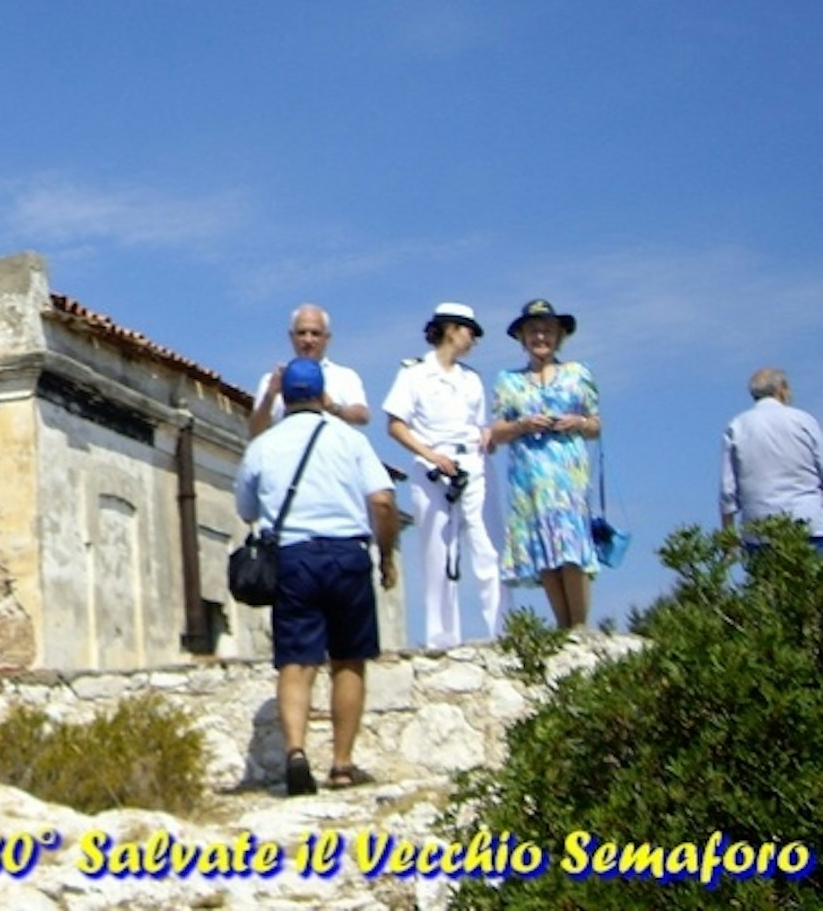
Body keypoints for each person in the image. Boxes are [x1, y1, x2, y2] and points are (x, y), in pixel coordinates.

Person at [235, 357, 399, 795]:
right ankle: (343, 765)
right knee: (348, 659)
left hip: (292, 558)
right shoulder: (348, 438)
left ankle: (295, 752)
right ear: (322, 394)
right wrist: (386, 557)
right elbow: (382, 501)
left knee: (295, 661)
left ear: (284, 396)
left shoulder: (264, 446)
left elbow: (247, 510)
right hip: (347, 555)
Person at [382, 302, 502, 650]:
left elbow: (480, 426)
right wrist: (431, 455)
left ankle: (504, 629)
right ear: (450, 329)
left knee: (489, 547)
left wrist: (487, 437)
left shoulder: (472, 379)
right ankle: (441, 639)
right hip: (434, 468)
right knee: (438, 553)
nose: (474, 339)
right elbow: (395, 425)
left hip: (474, 466)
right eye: (469, 331)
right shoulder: (414, 374)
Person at [487, 299, 601, 630]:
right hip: (529, 479)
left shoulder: (578, 374)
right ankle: (563, 625)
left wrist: (576, 421)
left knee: (570, 547)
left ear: (559, 335)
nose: (541, 336)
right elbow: (497, 430)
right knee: (545, 552)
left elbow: (596, 426)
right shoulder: (508, 381)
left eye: (548, 330)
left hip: (567, 477)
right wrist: (523, 425)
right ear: (523, 337)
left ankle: (579, 625)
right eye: (534, 330)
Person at [720, 368, 823, 547]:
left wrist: (729, 538)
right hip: (809, 524)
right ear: (781, 389)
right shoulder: (803, 421)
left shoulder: (737, 426)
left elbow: (728, 490)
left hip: (758, 530)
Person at [248, 303, 372, 436]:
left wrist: (331, 406)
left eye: (315, 333)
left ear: (327, 338)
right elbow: (255, 432)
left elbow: (362, 416)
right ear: (291, 337)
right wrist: (270, 396)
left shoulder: (345, 377)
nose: (308, 340)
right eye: (302, 333)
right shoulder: (271, 380)